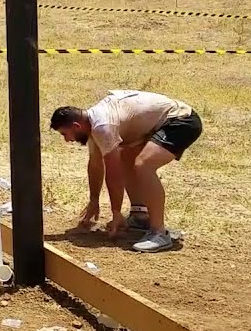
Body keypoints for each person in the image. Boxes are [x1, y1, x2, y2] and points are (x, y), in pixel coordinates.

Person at [49, 89, 203, 253]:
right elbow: (95, 165)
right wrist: (94, 200)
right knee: (126, 158)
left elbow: (113, 174)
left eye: (65, 134)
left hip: (181, 120)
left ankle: (159, 233)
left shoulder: (102, 126)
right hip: (162, 122)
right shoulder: (93, 125)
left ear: (76, 126)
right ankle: (140, 216)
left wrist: (116, 212)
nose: (67, 140)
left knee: (143, 164)